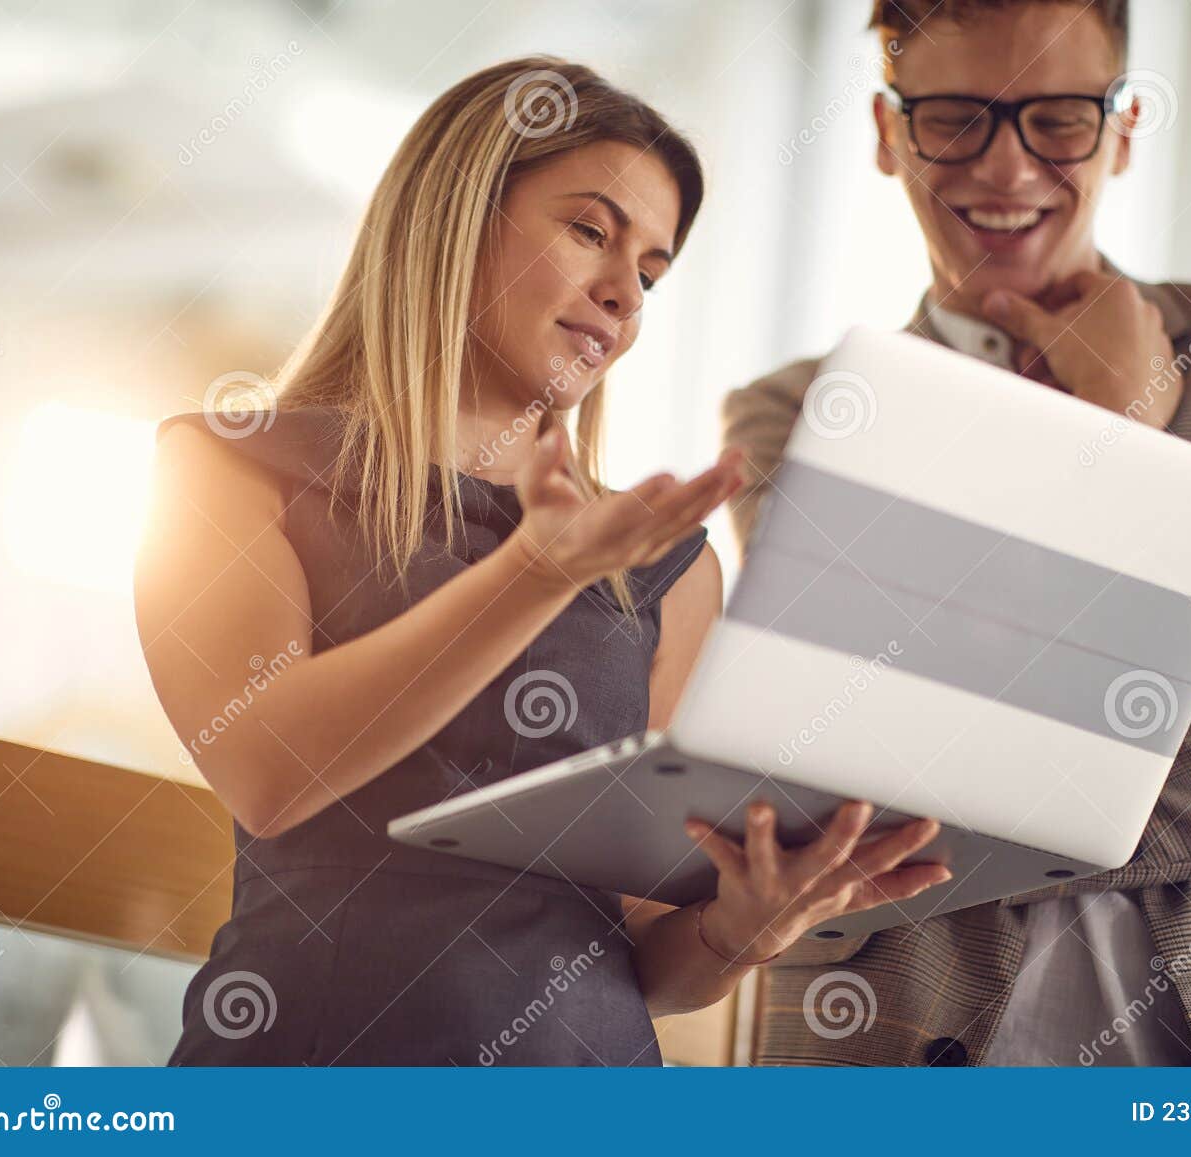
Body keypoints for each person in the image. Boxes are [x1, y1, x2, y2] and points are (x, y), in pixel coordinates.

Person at [135, 56, 952, 1066]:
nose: (623, 294)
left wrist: (740, 930)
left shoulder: (666, 568)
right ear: (455, 215)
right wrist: (536, 574)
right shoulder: (229, 466)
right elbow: (267, 771)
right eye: (589, 232)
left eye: (650, 272)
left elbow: (651, 959)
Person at [721, 0, 1191, 1066]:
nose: (1004, 170)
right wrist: (1108, 432)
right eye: (954, 117)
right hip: (901, 1028)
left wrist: (962, 781)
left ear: (1123, 128)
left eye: (1056, 119)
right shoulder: (796, 412)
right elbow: (854, 727)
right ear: (884, 129)